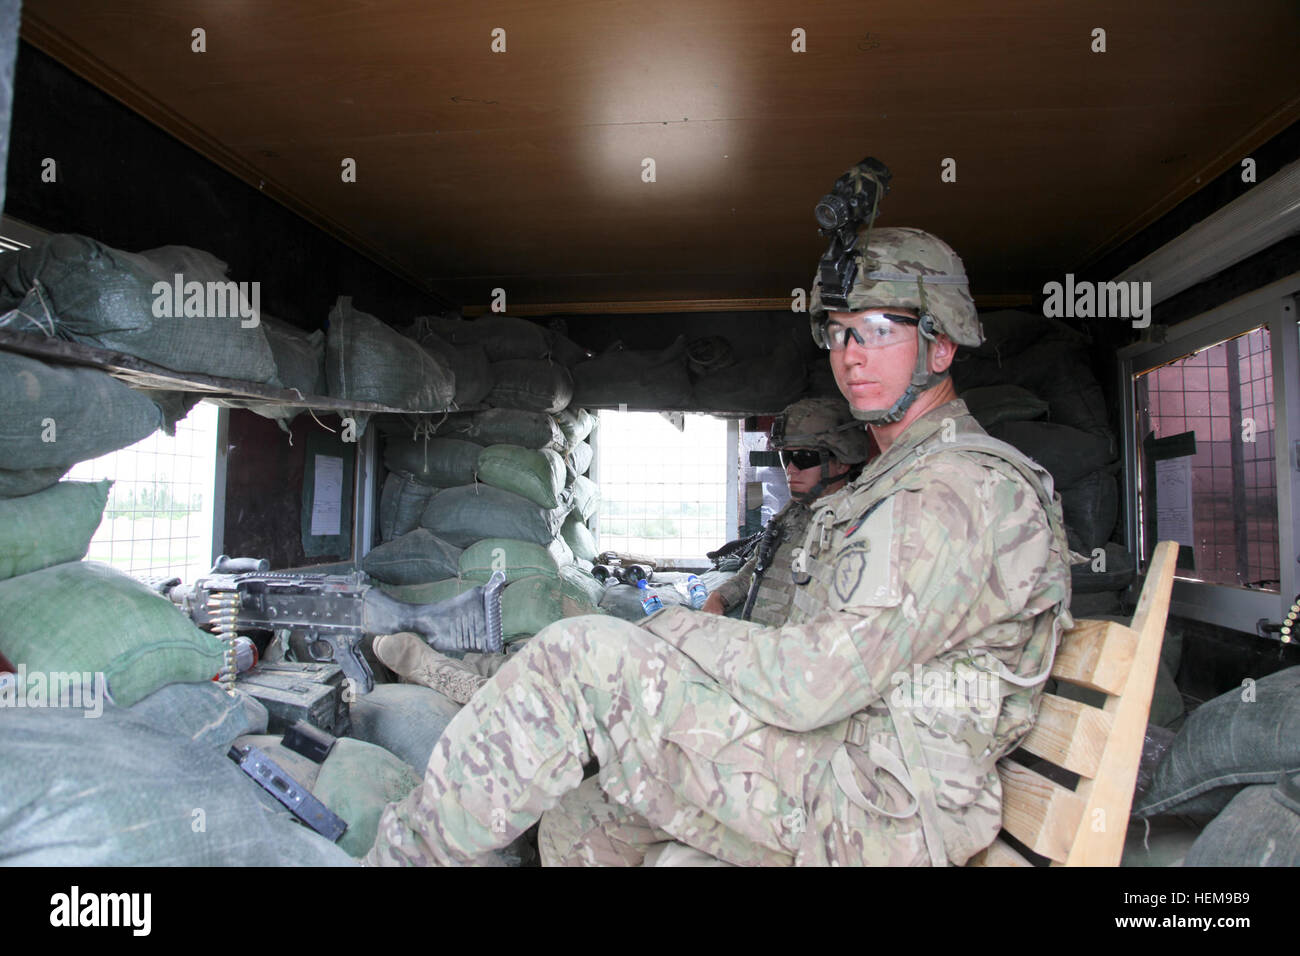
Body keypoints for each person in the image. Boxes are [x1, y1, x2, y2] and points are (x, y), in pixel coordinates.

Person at [365, 225, 1072, 867]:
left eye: (882, 330)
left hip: (875, 810)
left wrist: (676, 631)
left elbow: (809, 684)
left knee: (578, 659)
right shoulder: (902, 478)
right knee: (581, 825)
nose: (852, 356)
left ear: (942, 344)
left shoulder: (953, 491)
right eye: (841, 333)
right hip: (840, 761)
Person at [702, 397, 872, 625]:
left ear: (842, 461)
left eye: (804, 458)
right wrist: (719, 598)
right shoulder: (793, 513)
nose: (791, 469)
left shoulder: (859, 524)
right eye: (786, 457)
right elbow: (757, 566)